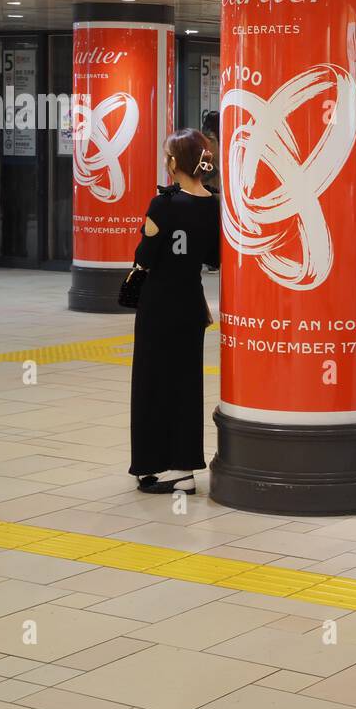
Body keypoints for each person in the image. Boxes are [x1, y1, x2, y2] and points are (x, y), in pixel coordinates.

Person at [129, 129, 220, 495]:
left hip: (157, 307)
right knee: (186, 387)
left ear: (174, 162)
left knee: (151, 386)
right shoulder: (214, 203)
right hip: (191, 307)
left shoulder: (163, 205)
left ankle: (154, 464)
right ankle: (185, 468)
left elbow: (144, 258)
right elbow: (213, 259)